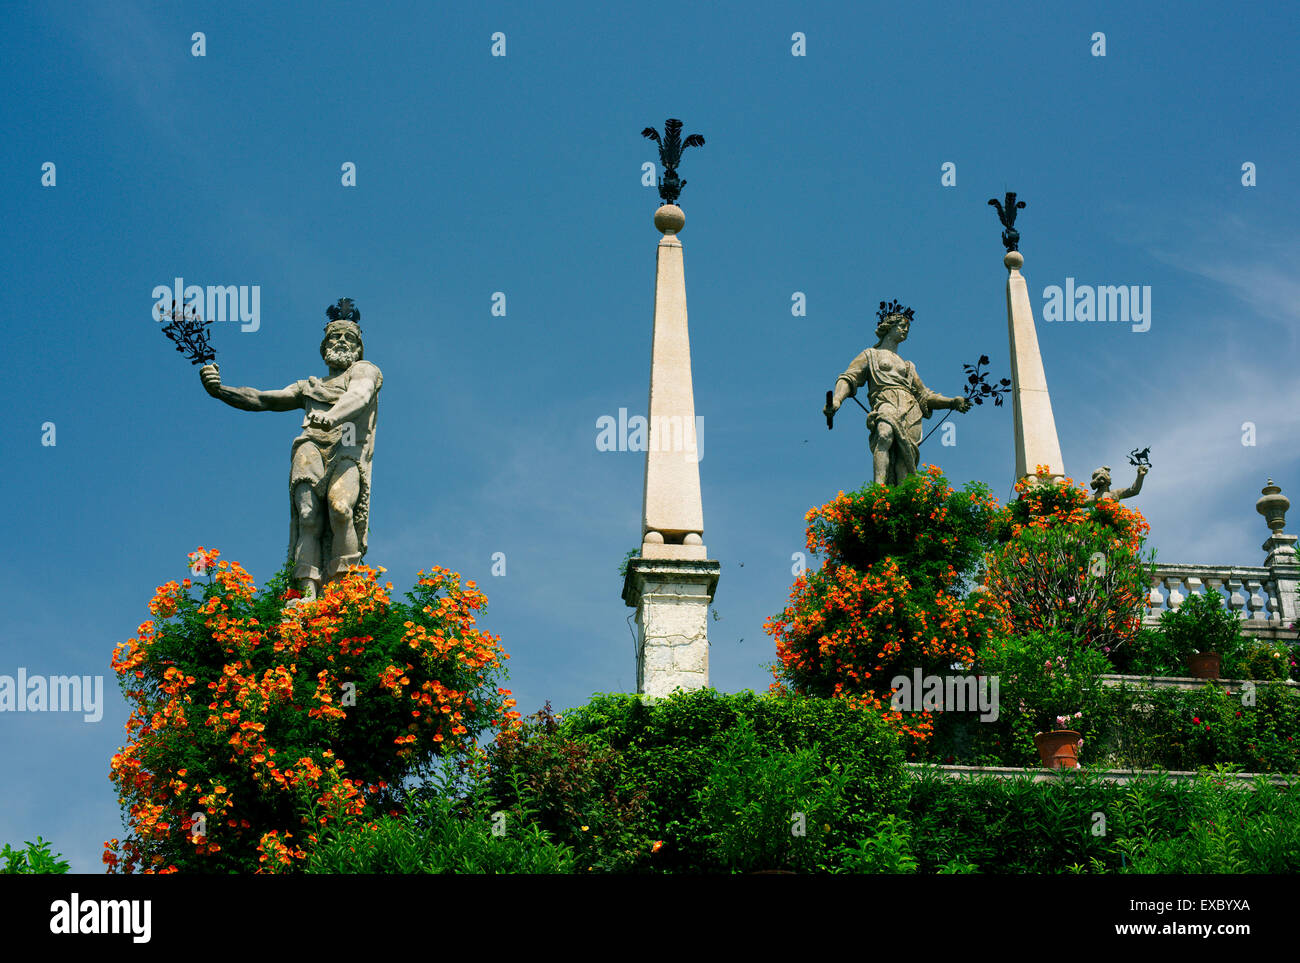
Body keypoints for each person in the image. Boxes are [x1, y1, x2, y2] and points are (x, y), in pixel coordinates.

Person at [199, 298, 381, 600]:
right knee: (308, 516)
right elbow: (263, 399)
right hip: (310, 447)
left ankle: (345, 590)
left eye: (348, 338)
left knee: (340, 508)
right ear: (324, 348)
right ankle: (306, 594)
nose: (341, 342)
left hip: (348, 445)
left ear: (359, 348)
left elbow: (359, 397)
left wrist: (332, 416)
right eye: (334, 337)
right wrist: (220, 391)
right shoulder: (308, 385)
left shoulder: (364, 371)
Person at [824, 303, 970, 485]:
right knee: (884, 434)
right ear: (889, 327)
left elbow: (925, 395)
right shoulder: (870, 355)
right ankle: (879, 490)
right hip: (885, 400)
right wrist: (837, 400)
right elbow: (849, 377)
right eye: (902, 326)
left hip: (910, 408)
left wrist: (952, 402)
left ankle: (903, 498)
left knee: (905, 456)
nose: (905, 331)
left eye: (907, 328)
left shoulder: (908, 366)